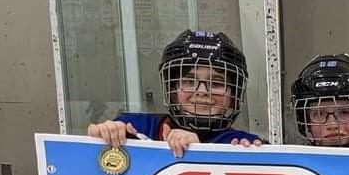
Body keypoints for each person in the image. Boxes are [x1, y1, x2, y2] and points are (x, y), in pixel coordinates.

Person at [87, 30, 261, 156]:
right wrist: (107, 134)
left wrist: (201, 153)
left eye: (216, 83)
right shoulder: (134, 126)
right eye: (188, 82)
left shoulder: (244, 144)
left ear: (234, 95)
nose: (201, 91)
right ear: (172, 90)